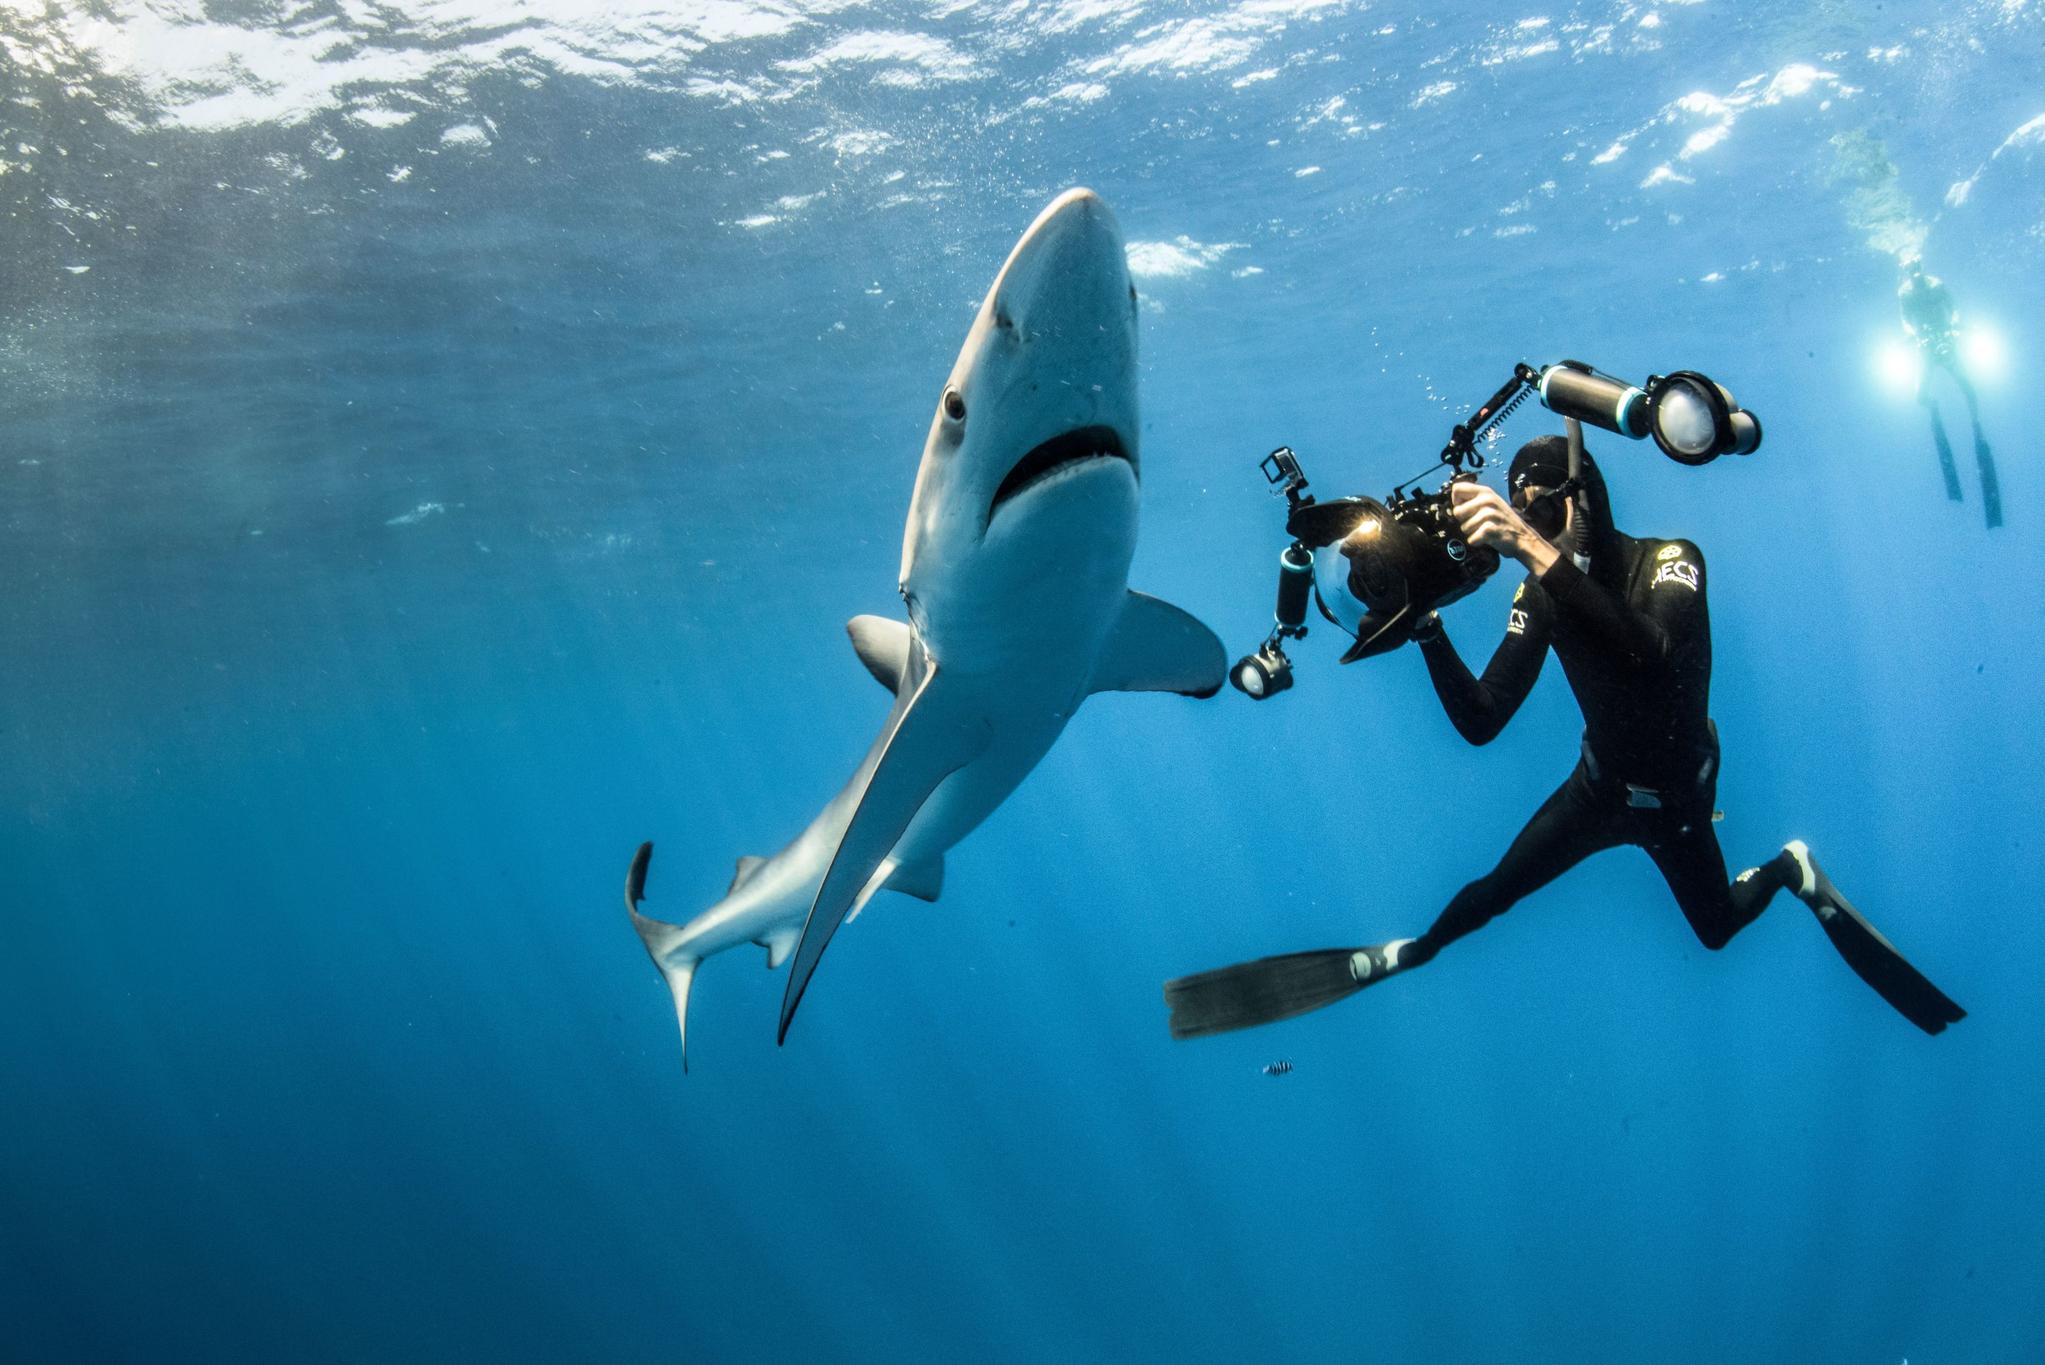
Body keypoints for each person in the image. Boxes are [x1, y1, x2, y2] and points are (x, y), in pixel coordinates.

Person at [1164, 433, 1966, 1039]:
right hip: (1598, 787)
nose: (1528, 523)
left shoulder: (1670, 560)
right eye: (1517, 510)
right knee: (1488, 895)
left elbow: (1649, 652)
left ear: (1584, 498)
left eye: (1540, 506)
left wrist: (1532, 550)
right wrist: (1426, 628)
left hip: (1677, 798)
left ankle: (1790, 869)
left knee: (1717, 929)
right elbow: (1482, 719)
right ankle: (1414, 949)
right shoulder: (1540, 592)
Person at [1899, 258, 2001, 529]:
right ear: (1907, 271)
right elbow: (1906, 321)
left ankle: (1976, 428)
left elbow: (1953, 309)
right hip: (1927, 347)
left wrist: (1954, 326)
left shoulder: (1936, 285)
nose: (1915, 273)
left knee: (1967, 387)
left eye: (1916, 268)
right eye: (1910, 270)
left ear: (1920, 268)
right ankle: (1938, 414)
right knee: (1921, 395)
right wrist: (1915, 335)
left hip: (1946, 342)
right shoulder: (1905, 294)